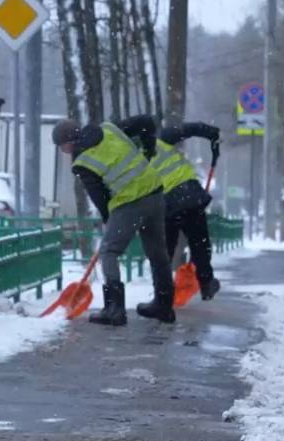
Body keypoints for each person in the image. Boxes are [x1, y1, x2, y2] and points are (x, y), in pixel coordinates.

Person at [52, 116, 176, 326]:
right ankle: (164, 306)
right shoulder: (110, 128)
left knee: (108, 252)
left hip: (130, 201)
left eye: (61, 147)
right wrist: (148, 148)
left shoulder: (82, 161)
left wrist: (109, 220)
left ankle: (115, 310)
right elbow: (146, 121)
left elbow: (100, 197)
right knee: (157, 252)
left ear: (67, 143)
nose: (63, 151)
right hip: (154, 192)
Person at [151, 121, 222, 301]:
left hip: (167, 204)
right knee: (199, 242)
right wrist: (212, 134)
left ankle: (162, 293)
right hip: (189, 195)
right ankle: (206, 283)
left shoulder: (134, 162)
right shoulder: (162, 140)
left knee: (166, 249)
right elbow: (189, 129)